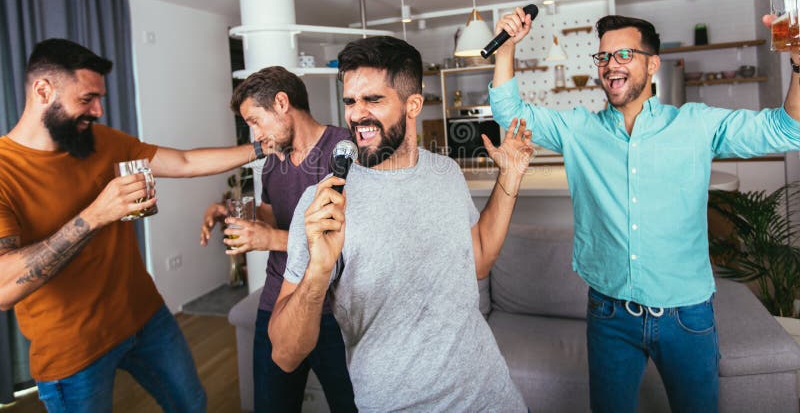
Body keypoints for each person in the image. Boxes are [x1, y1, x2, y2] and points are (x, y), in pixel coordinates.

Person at [488, 9, 800, 412]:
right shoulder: (579, 130)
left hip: (687, 315)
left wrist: (797, 60)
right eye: (603, 57)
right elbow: (509, 113)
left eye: (623, 55)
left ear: (652, 63)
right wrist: (506, 50)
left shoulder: (696, 125)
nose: (610, 66)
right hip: (609, 313)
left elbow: (788, 129)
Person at [0, 39, 275, 412]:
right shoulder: (5, 172)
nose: (98, 110)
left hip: (145, 317)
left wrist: (263, 147)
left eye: (100, 98)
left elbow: (184, 163)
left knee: (192, 405)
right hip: (73, 350)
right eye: (87, 98)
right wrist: (97, 214)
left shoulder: (99, 140)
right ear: (43, 90)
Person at [268, 36, 534, 411]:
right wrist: (318, 271)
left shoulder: (445, 172)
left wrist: (510, 176)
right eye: (350, 101)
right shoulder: (322, 204)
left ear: (413, 105)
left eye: (373, 99)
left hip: (491, 395)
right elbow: (285, 355)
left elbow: (479, 260)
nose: (357, 115)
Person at [200, 66, 356, 412]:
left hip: (333, 308)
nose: (254, 135)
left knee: (351, 406)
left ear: (282, 103)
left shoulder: (345, 150)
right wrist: (231, 211)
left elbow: (349, 239)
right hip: (277, 302)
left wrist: (269, 239)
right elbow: (272, 214)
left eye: (255, 121)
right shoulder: (272, 161)